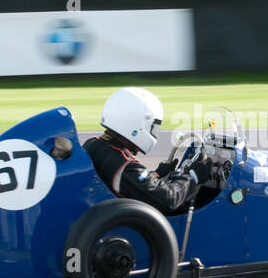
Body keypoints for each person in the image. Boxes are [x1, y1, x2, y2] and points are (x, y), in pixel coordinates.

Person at [83, 87, 211, 215]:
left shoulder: (93, 144)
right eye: (152, 127)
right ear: (136, 123)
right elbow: (168, 200)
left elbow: (132, 184)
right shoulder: (124, 165)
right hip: (126, 225)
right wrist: (192, 177)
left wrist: (156, 174)